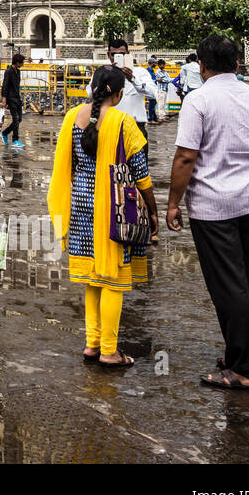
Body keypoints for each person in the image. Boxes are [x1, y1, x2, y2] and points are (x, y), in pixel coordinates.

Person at [166, 34, 249, 391]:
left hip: (215, 206)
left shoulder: (198, 100)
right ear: (237, 63)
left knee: (229, 286)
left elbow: (186, 157)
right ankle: (240, 356)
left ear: (201, 64)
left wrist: (172, 203)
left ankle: (246, 370)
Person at [47, 65, 158, 367]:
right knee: (113, 280)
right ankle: (110, 350)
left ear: (93, 87)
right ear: (120, 94)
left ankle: (91, 344)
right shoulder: (124, 122)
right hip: (115, 208)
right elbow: (141, 174)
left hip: (80, 203)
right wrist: (152, 207)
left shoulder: (72, 117)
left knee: (92, 280)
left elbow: (66, 165)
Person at [92, 40, 154, 166]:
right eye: (114, 54)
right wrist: (106, 78)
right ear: (108, 55)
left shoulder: (140, 73)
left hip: (136, 128)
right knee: (109, 170)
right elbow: (90, 93)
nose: (117, 57)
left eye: (121, 54)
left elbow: (153, 93)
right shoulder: (102, 73)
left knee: (139, 171)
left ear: (128, 54)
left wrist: (133, 79)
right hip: (108, 128)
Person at [0, 53, 25, 148]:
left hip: (17, 97)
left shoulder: (18, 71)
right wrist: (4, 99)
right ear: (17, 62)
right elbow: (5, 85)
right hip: (10, 98)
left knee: (19, 119)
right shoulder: (8, 71)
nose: (23, 64)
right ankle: (15, 140)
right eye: (22, 62)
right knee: (15, 118)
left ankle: (5, 133)